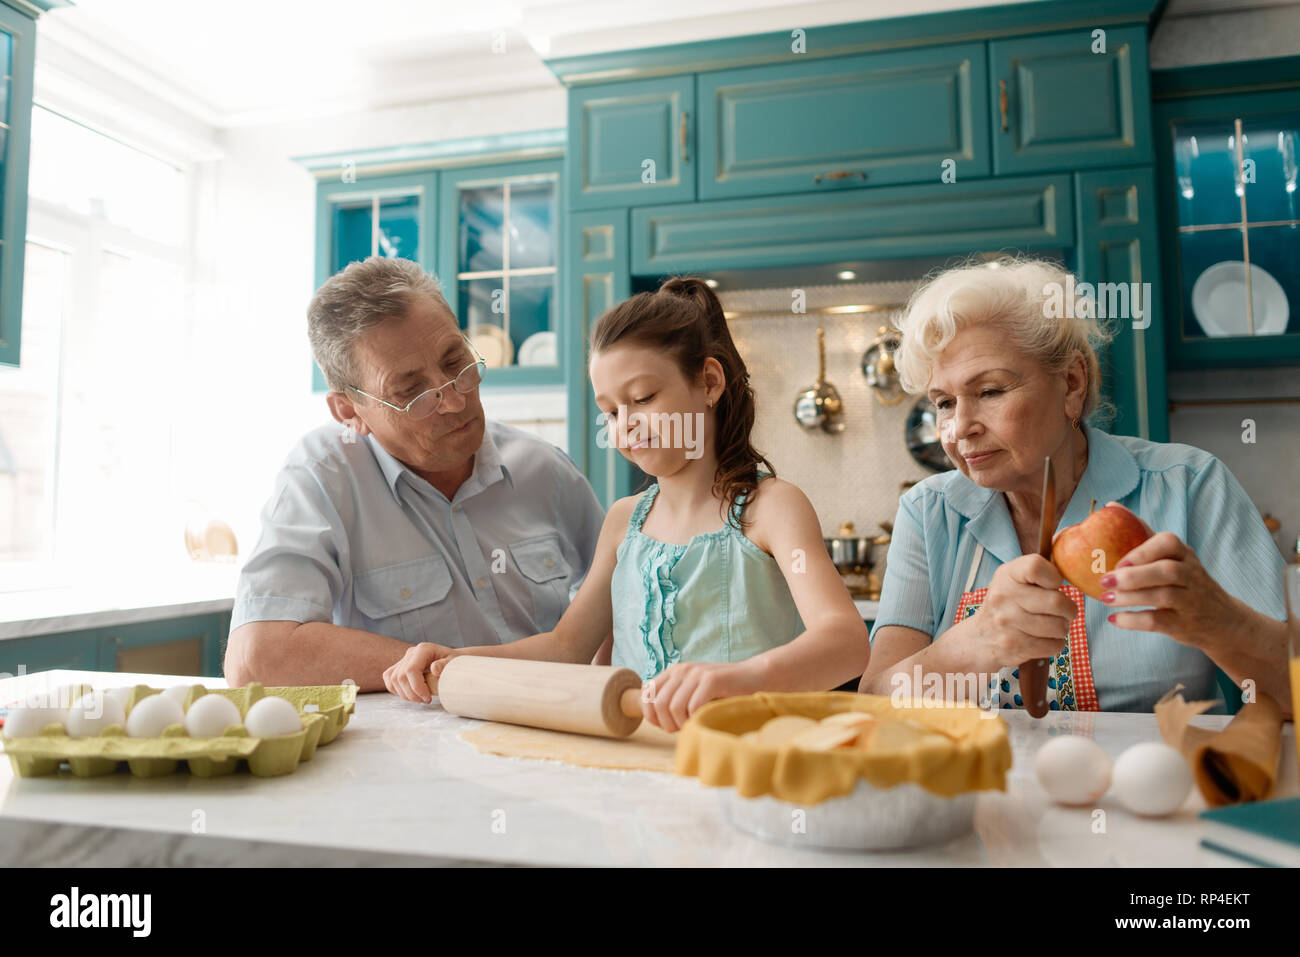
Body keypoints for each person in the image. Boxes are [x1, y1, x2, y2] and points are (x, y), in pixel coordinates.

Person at [384, 277, 871, 730]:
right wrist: (458, 658)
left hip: (750, 764)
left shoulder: (771, 508)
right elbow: (567, 646)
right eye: (611, 411)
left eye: (643, 398)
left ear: (709, 383)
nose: (625, 425)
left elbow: (846, 642)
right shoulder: (623, 521)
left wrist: (738, 678)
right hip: (643, 771)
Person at [859, 256, 1291, 715]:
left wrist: (1218, 620)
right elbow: (874, 704)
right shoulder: (929, 512)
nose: (960, 428)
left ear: (1071, 383)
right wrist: (973, 644)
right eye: (944, 403)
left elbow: (1292, 687)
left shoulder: (1189, 486)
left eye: (990, 392)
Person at [224, 256, 604, 690]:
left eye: (455, 361)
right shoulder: (323, 476)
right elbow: (258, 660)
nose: (456, 401)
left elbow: (629, 598)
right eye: (412, 392)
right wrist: (453, 672)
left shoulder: (544, 469)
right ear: (350, 412)